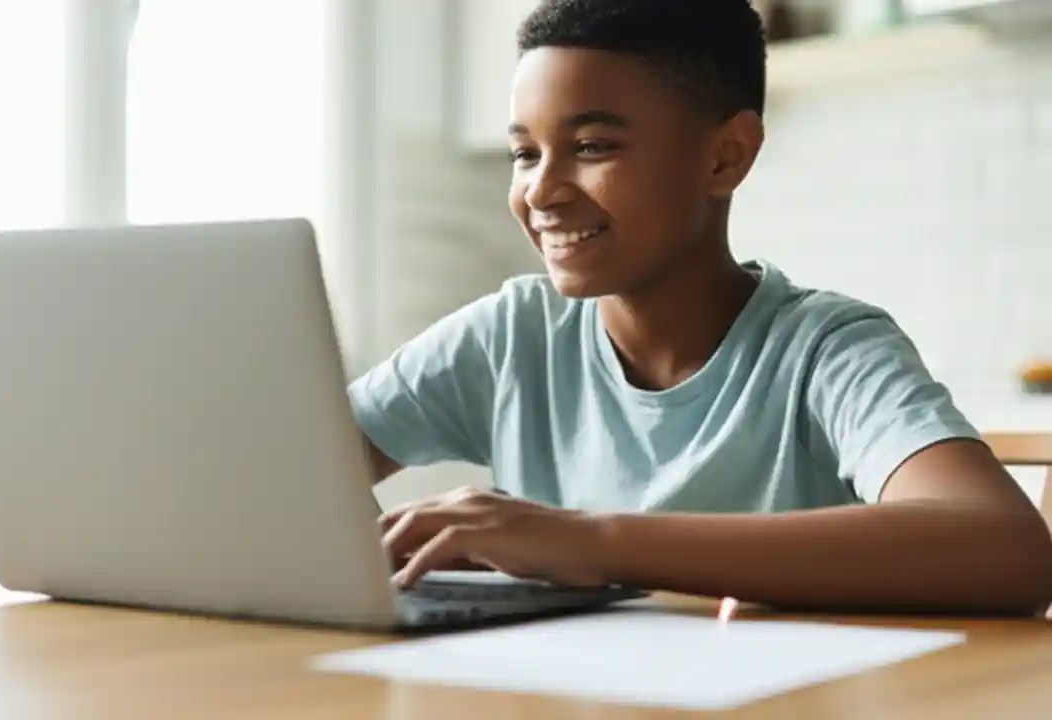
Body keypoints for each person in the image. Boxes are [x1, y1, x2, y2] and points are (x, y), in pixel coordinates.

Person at [347, 0, 1052, 615]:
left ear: (726, 157)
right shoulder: (509, 337)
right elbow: (282, 467)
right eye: (525, 154)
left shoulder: (824, 350)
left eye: (591, 146)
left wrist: (589, 540)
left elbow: (1008, 549)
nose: (541, 191)